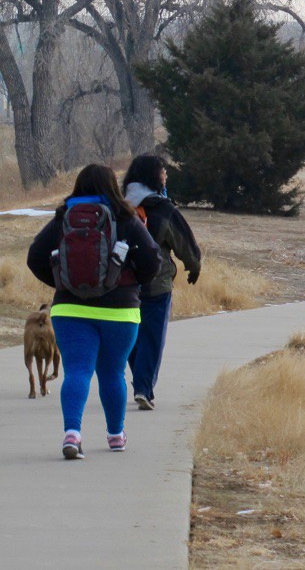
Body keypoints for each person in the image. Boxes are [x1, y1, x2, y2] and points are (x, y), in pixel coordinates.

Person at [26, 164, 161, 459]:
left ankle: (72, 434)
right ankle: (115, 435)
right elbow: (152, 256)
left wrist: (62, 283)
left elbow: (35, 256)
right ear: (112, 185)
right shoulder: (125, 217)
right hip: (120, 310)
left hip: (70, 308)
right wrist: (135, 283)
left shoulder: (64, 217)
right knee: (112, 373)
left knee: (77, 372)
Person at [122, 155, 202, 411]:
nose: (166, 174)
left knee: (133, 337)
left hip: (123, 285)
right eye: (163, 170)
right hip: (156, 284)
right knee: (153, 338)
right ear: (153, 176)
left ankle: (141, 383)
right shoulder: (163, 209)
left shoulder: (120, 206)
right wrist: (194, 267)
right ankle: (143, 388)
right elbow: (185, 245)